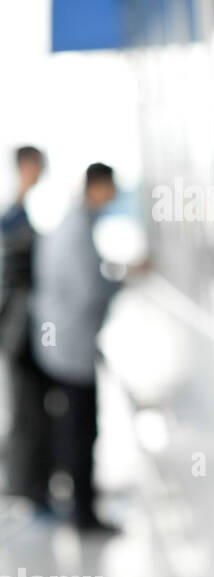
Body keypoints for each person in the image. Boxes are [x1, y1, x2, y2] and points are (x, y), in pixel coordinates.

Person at [29, 162, 122, 535]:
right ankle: (84, 515)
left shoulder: (68, 224)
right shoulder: (78, 229)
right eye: (110, 188)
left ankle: (78, 504)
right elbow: (89, 292)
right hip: (71, 346)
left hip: (60, 343)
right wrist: (123, 281)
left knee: (72, 428)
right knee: (82, 430)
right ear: (97, 187)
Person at [0, 146, 54, 515]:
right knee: (27, 410)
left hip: (22, 328)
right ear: (25, 166)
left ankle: (32, 486)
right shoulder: (11, 218)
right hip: (18, 331)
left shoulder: (20, 214)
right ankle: (28, 490)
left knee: (31, 409)